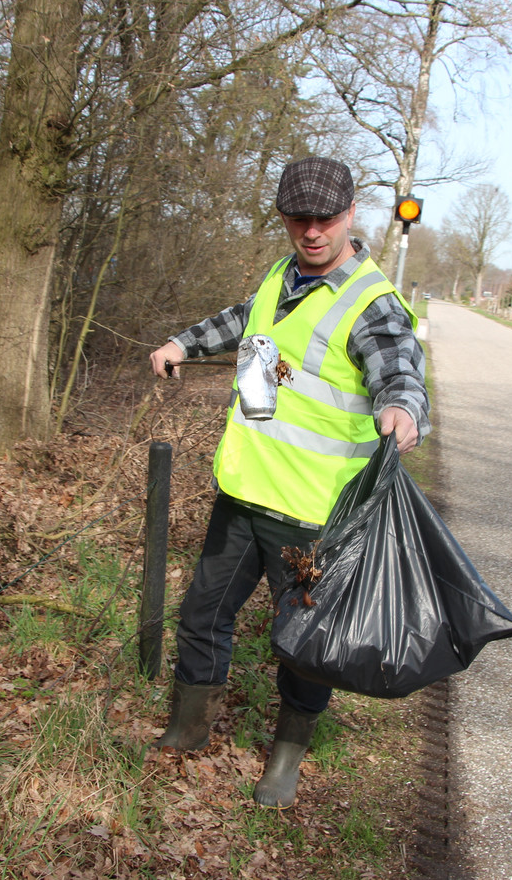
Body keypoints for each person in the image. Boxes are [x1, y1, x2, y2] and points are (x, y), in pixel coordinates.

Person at [147, 155, 430, 808]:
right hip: (244, 494)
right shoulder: (281, 275)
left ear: (351, 214)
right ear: (283, 218)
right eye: (299, 218)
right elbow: (241, 321)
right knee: (201, 616)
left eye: (325, 218)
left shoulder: (371, 303)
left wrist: (403, 409)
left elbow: (399, 369)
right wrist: (183, 344)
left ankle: (285, 760)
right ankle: (188, 730)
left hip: (313, 514)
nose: (312, 231)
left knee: (306, 646)